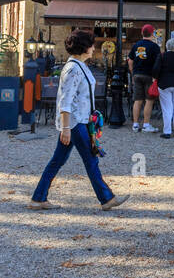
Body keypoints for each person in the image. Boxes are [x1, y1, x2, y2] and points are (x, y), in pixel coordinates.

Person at [30, 30, 126, 211]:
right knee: (91, 159)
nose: (93, 48)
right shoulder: (74, 68)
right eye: (91, 44)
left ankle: (38, 198)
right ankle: (106, 198)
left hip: (77, 120)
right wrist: (66, 128)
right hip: (75, 122)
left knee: (57, 161)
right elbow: (66, 100)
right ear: (84, 47)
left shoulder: (78, 66)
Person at [128, 25, 161, 132]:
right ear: (152, 34)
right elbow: (158, 63)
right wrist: (156, 76)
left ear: (142, 33)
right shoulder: (155, 47)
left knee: (137, 100)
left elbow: (130, 60)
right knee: (149, 100)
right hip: (149, 76)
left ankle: (135, 124)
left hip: (137, 75)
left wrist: (133, 73)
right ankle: (146, 125)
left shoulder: (135, 45)